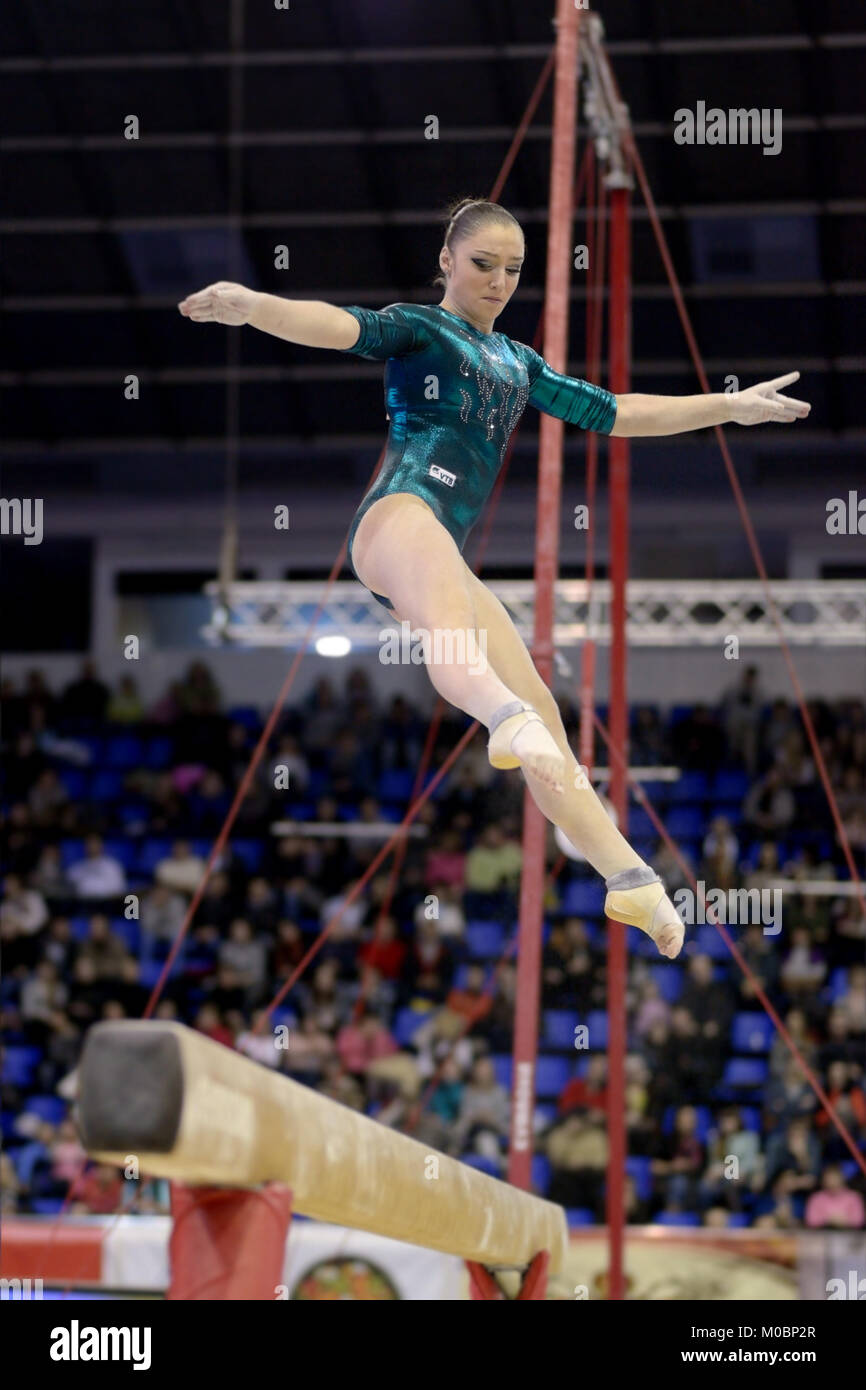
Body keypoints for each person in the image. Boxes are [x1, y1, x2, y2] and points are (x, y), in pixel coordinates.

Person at [178, 197, 811, 961]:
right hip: (397, 519)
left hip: (440, 547)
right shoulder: (421, 327)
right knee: (471, 652)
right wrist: (253, 306)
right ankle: (498, 716)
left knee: (545, 718)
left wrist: (729, 406)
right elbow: (337, 324)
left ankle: (629, 878)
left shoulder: (519, 364)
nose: (499, 281)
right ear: (447, 261)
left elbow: (617, 412)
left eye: (513, 269)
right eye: (483, 264)